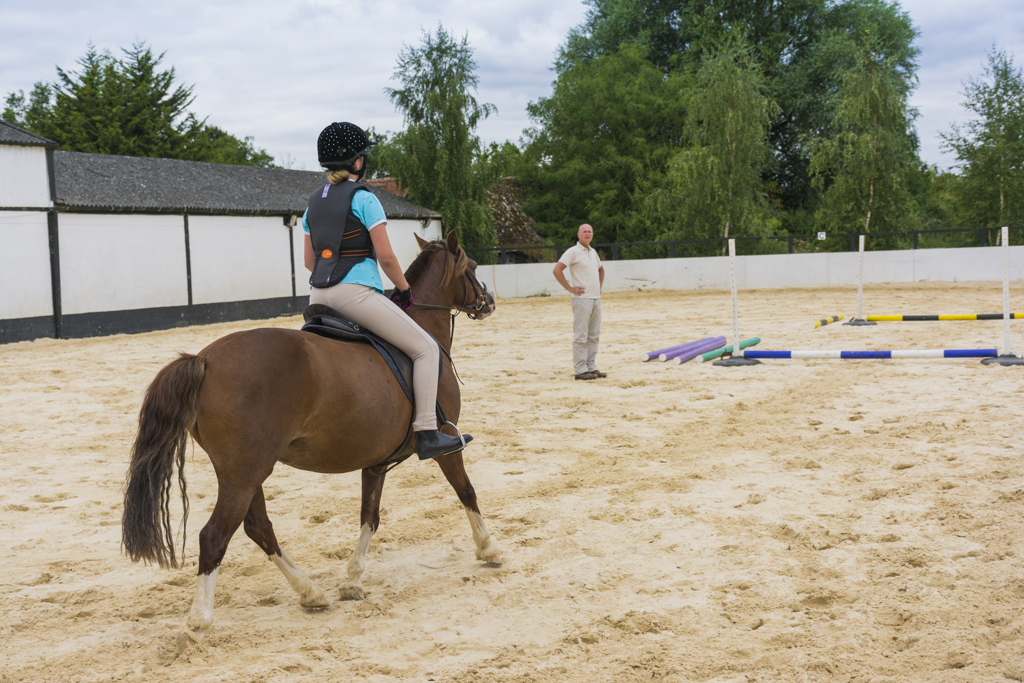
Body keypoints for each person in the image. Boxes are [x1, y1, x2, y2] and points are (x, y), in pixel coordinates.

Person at [302, 121, 471, 460]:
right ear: (358, 162)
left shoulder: (312, 203)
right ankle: (427, 433)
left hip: (317, 297)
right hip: (357, 295)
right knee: (426, 348)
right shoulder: (364, 198)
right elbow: (387, 257)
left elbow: (309, 262)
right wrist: (405, 290)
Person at [552, 223, 606, 380]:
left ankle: (591, 366)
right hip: (582, 300)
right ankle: (580, 369)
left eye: (590, 231)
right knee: (581, 335)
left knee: (594, 335)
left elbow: (601, 269)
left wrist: (599, 287)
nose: (587, 234)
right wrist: (570, 288)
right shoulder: (573, 252)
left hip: (595, 298)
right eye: (584, 232)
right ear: (579, 235)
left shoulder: (593, 252)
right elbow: (557, 270)